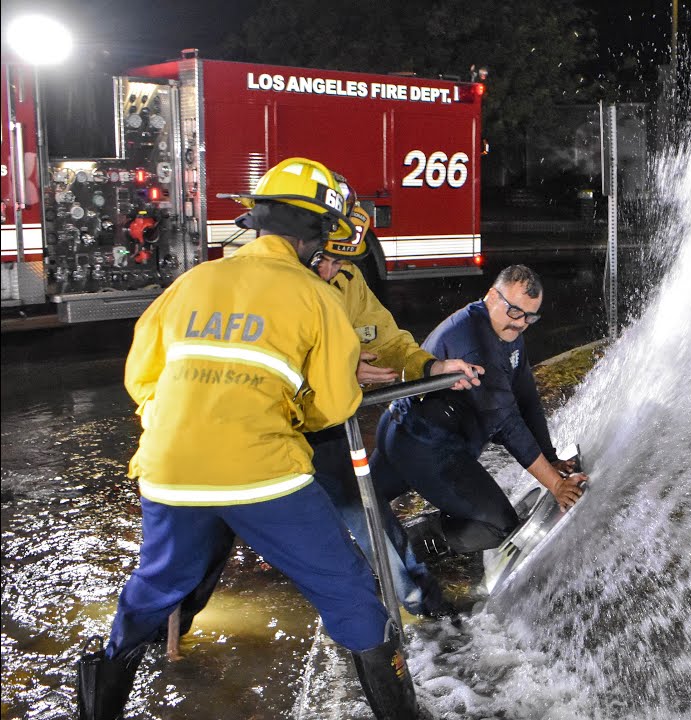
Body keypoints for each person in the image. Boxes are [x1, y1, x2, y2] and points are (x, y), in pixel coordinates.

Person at [74, 158, 419, 720]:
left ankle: (100, 699)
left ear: (257, 220)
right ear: (318, 234)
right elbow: (333, 406)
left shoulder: (193, 281)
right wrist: (282, 411)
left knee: (157, 585)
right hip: (263, 475)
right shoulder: (317, 298)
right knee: (351, 592)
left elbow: (141, 377)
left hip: (169, 473)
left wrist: (189, 421)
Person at [306, 183, 481, 616]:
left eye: (341, 260)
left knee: (364, 508)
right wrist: (340, 368)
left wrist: (429, 368)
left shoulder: (347, 281)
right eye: (323, 259)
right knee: (204, 543)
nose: (331, 271)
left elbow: (384, 339)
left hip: (321, 421)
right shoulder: (277, 286)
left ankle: (416, 603)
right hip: (265, 433)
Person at [371, 265, 587, 557]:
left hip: (408, 431)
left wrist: (549, 457)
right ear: (492, 296)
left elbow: (526, 398)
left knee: (365, 503)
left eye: (529, 317)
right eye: (514, 312)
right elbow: (506, 422)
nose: (520, 323)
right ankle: (415, 541)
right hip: (422, 444)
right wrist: (555, 485)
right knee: (498, 527)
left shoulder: (508, 331)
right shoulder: (473, 341)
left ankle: (375, 549)